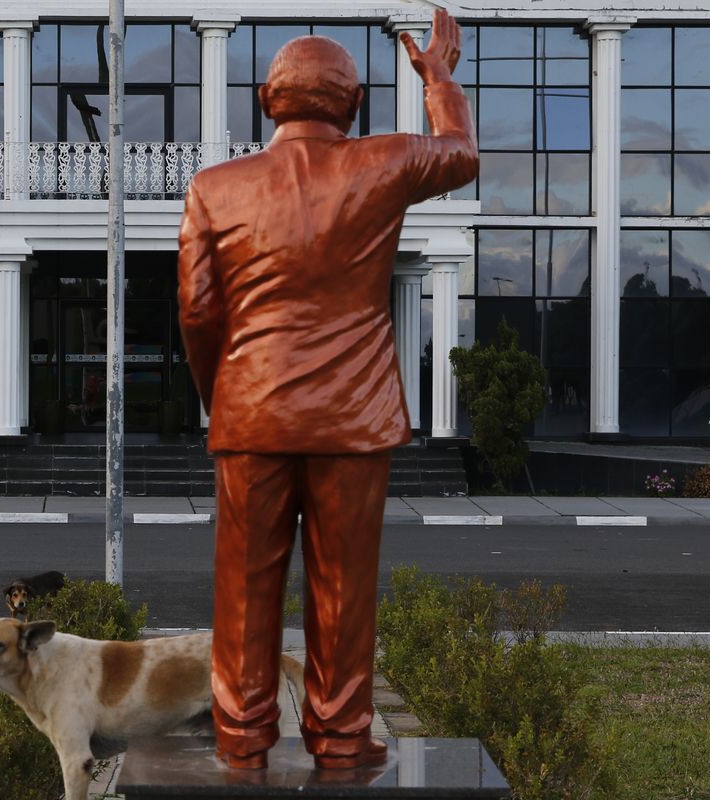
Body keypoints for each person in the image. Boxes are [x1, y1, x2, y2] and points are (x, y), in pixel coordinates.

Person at [176, 9, 477, 771]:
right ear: (353, 104)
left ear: (265, 99)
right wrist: (438, 79)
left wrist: (225, 392)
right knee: (343, 588)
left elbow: (197, 311)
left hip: (252, 409)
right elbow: (461, 153)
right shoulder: (382, 163)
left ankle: (242, 736)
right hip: (354, 414)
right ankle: (341, 736)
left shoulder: (215, 187)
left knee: (244, 587)